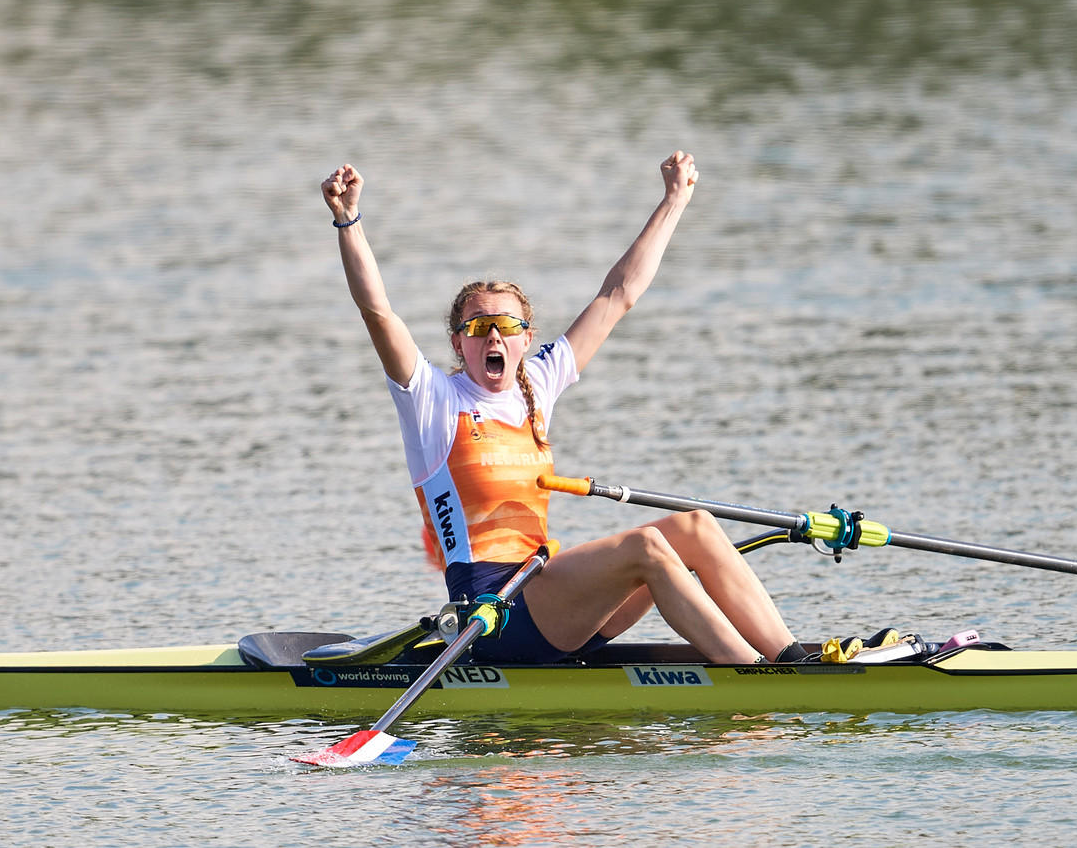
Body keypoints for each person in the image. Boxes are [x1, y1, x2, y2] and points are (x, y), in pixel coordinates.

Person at [321, 151, 806, 665]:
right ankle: (752, 676)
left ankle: (792, 659)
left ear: (526, 339)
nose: (492, 335)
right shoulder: (433, 402)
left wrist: (675, 199)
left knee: (696, 526)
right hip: (489, 616)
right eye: (477, 326)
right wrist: (347, 220)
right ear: (457, 343)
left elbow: (618, 294)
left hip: (547, 594)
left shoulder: (537, 384)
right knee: (645, 547)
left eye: (506, 327)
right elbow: (377, 311)